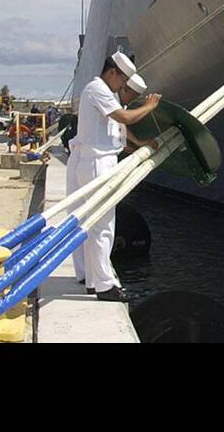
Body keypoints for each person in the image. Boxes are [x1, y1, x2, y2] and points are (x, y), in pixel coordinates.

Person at [72, 53, 160, 302]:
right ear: (112, 73)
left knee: (95, 227)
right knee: (103, 228)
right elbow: (123, 118)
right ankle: (105, 286)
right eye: (122, 80)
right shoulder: (97, 89)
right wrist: (149, 107)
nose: (122, 87)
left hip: (99, 162)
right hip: (98, 164)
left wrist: (139, 143)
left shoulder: (104, 93)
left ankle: (93, 281)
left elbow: (118, 129)